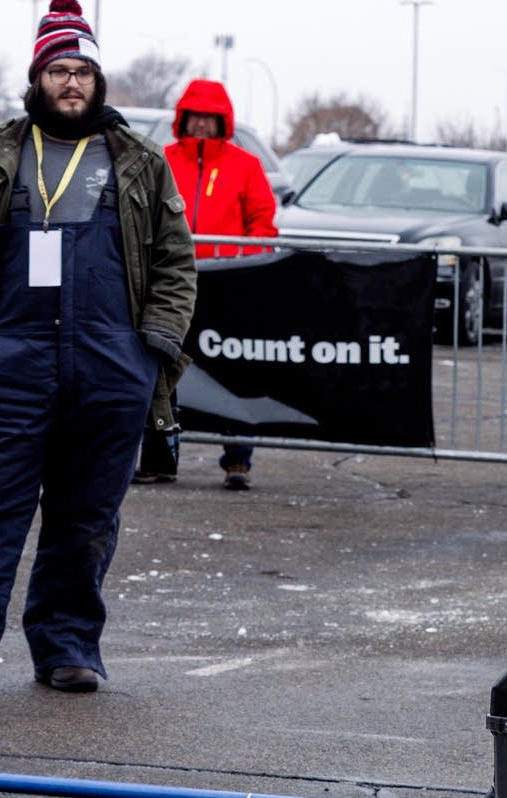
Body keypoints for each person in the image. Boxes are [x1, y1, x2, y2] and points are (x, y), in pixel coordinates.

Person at [0, 0, 197, 695]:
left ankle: (68, 645)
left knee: (86, 520)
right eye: (58, 70)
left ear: (98, 81)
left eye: (82, 71)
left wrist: (149, 355)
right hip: (8, 362)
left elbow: (176, 265)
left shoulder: (138, 161)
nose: (71, 83)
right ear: (36, 77)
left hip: (109, 366)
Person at [160, 77, 279, 491]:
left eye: (209, 118)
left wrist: (245, 264)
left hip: (228, 286)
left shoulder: (245, 165)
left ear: (222, 121)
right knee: (162, 370)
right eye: (194, 116)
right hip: (170, 286)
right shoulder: (162, 161)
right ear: (183, 118)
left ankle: (238, 460)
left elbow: (262, 222)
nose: (201, 125)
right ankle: (160, 455)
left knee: (233, 374)